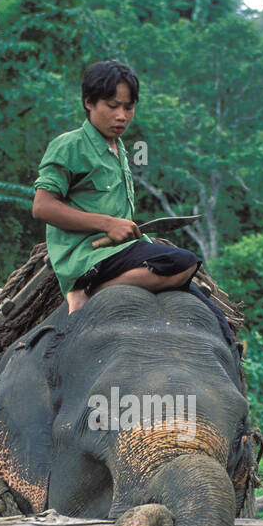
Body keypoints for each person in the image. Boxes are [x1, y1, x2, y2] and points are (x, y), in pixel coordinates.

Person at [30, 60, 233, 344]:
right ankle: (88, 291)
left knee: (214, 316)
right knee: (185, 263)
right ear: (88, 102)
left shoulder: (118, 148)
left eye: (128, 108)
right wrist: (107, 224)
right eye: (112, 106)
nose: (122, 116)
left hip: (120, 250)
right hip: (89, 254)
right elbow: (42, 206)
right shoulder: (70, 146)